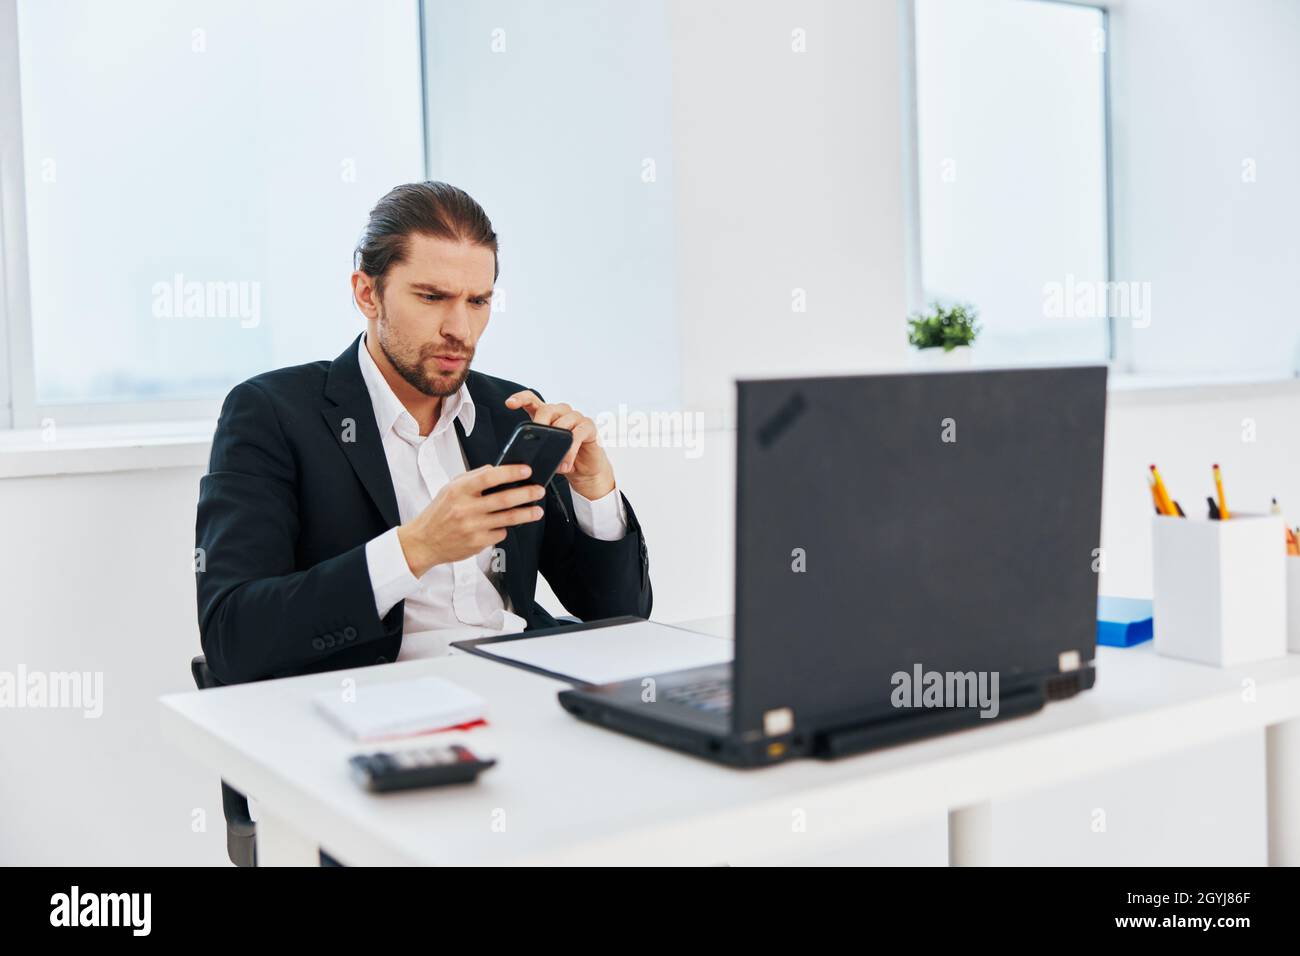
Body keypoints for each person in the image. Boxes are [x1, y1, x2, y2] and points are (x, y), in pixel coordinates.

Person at [195, 182, 651, 683]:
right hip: (373, 701)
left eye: (478, 301)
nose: (461, 329)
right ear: (368, 294)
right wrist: (415, 547)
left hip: (522, 687)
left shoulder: (511, 412)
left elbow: (620, 617)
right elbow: (234, 637)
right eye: (432, 297)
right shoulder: (271, 412)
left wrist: (595, 493)